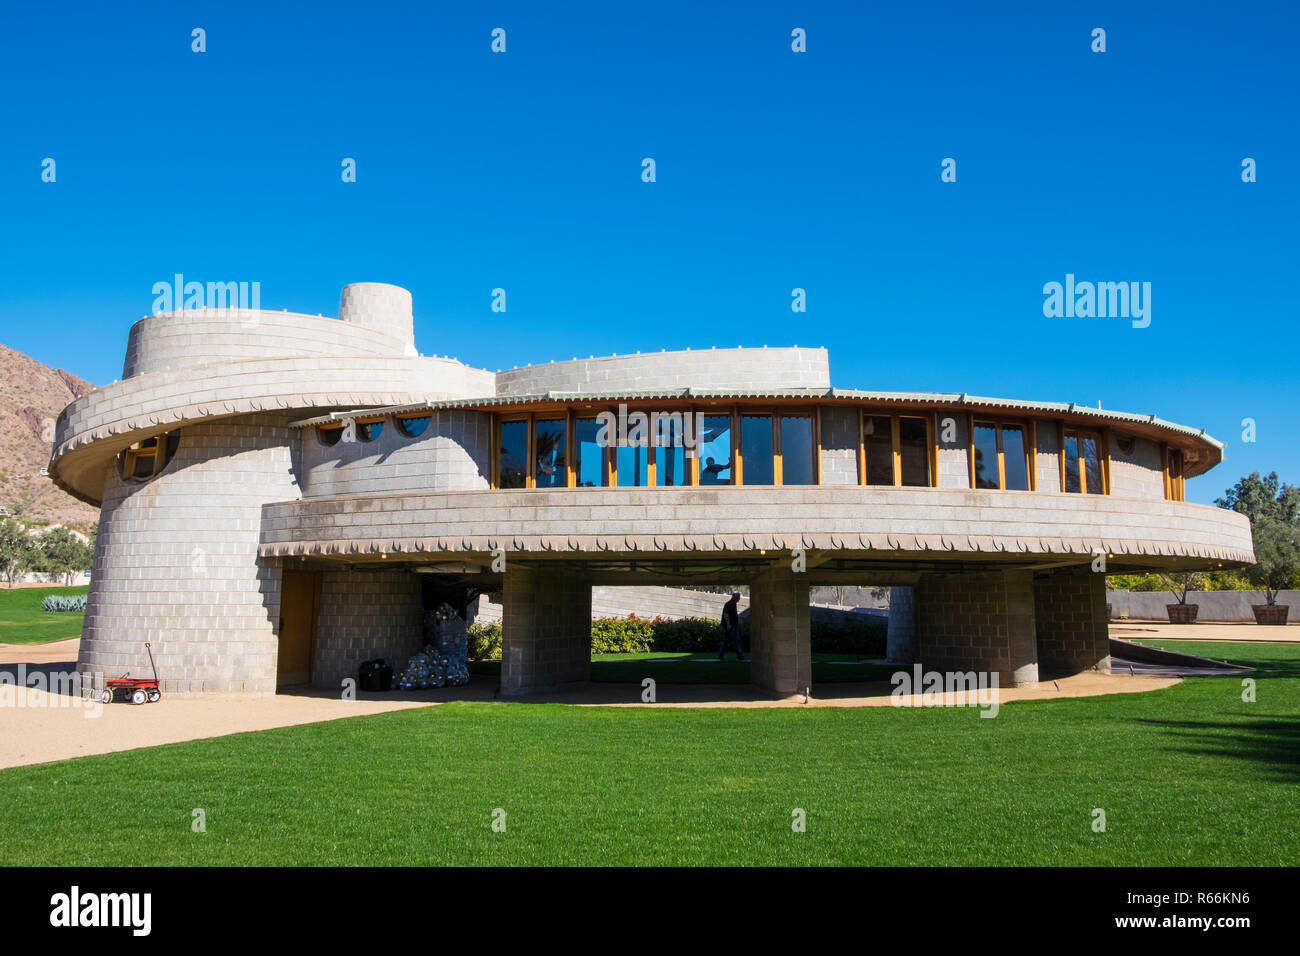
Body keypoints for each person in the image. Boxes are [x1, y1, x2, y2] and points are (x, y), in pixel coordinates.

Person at [718, 592, 744, 661]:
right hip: (730, 626)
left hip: (733, 626)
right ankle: (739, 656)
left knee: (732, 641)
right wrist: (728, 624)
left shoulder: (733, 604)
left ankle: (739, 655)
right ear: (735, 597)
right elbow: (726, 615)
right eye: (738, 597)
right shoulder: (729, 604)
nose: (739, 599)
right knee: (732, 641)